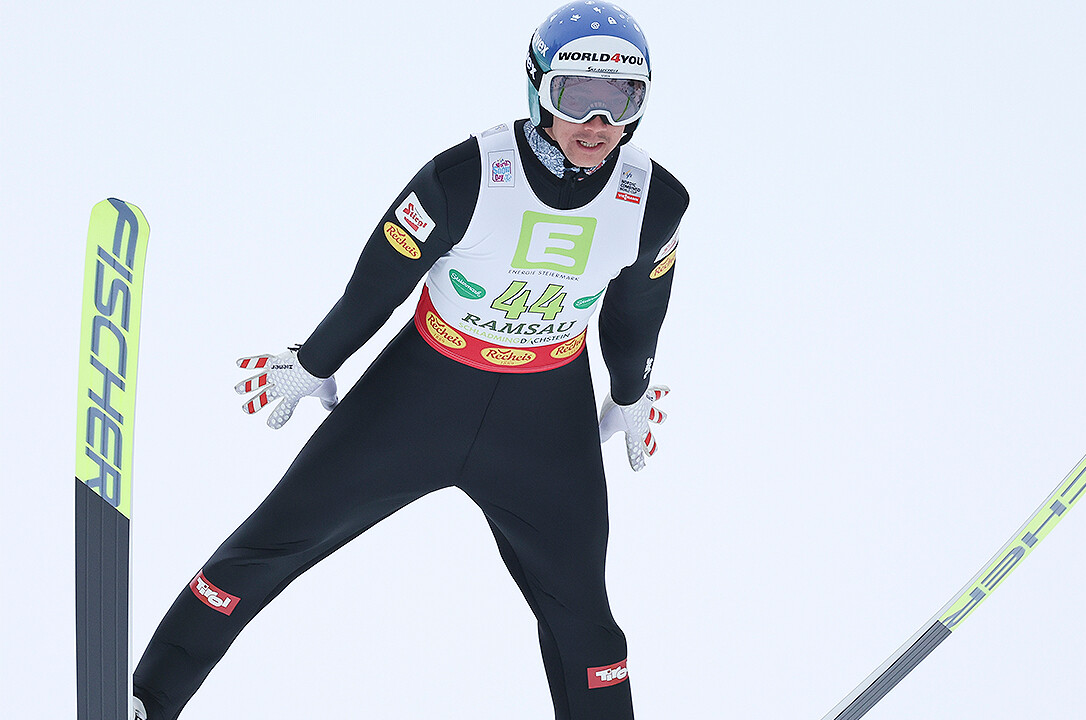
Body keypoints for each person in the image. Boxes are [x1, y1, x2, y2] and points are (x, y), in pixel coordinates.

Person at [129, 3, 688, 719]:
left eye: (623, 99)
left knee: (585, 619)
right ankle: (145, 700)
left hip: (544, 424)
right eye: (576, 95)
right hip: (420, 397)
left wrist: (631, 391)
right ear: (537, 87)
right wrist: (316, 360)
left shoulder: (655, 200)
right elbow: (378, 282)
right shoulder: (466, 176)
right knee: (268, 545)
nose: (598, 121)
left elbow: (638, 309)